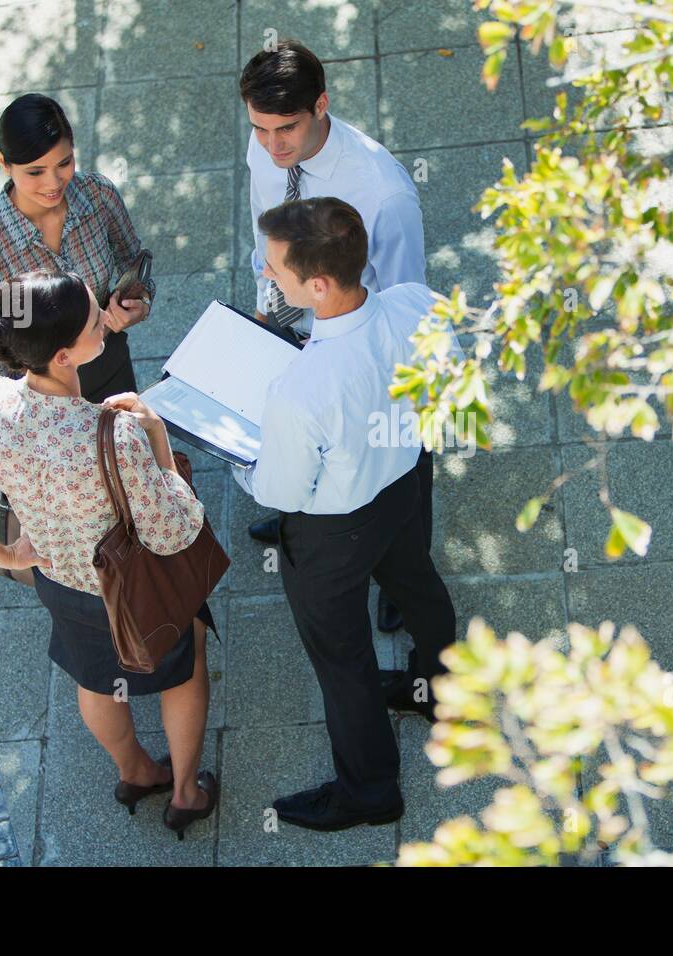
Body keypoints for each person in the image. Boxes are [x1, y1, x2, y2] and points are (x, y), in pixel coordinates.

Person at [0, 271, 217, 840]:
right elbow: (174, 530)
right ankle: (186, 793)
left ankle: (136, 773)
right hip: (135, 587)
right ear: (66, 355)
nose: (106, 324)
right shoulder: (115, 435)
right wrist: (158, 440)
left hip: (60, 584)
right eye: (97, 321)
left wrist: (7, 555)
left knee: (97, 678)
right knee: (184, 665)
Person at [232, 198, 458, 832]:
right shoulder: (417, 303)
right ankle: (440, 690)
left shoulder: (299, 390)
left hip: (333, 531)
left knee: (343, 657)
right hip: (404, 485)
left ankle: (369, 791)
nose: (266, 273)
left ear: (318, 286)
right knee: (418, 585)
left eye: (276, 267)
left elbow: (281, 490)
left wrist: (242, 461)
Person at [238, 40, 433, 637]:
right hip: (289, 319)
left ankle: (403, 573)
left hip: (357, 343)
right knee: (299, 434)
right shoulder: (265, 147)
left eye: (286, 129)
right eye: (260, 128)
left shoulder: (382, 192)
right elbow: (264, 232)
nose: (272, 146)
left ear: (320, 105)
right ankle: (299, 511)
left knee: (398, 464)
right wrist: (268, 307)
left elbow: (404, 294)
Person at [0, 93, 154, 404]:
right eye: (35, 171)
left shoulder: (99, 195)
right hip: (42, 402)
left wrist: (140, 303)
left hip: (109, 365)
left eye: (64, 163)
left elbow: (137, 269)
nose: (53, 183)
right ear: (4, 164)